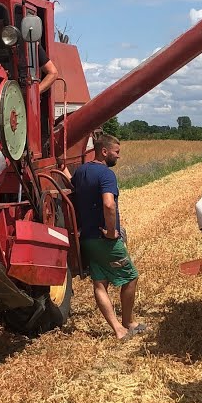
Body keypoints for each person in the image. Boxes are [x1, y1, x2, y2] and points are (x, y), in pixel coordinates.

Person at [71, 133, 143, 339]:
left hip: (87, 238)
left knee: (100, 283)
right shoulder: (106, 175)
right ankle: (127, 322)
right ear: (104, 151)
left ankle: (118, 330)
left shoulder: (81, 171)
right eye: (116, 152)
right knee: (130, 277)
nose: (118, 156)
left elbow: (71, 184)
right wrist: (112, 232)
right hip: (105, 240)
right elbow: (109, 204)